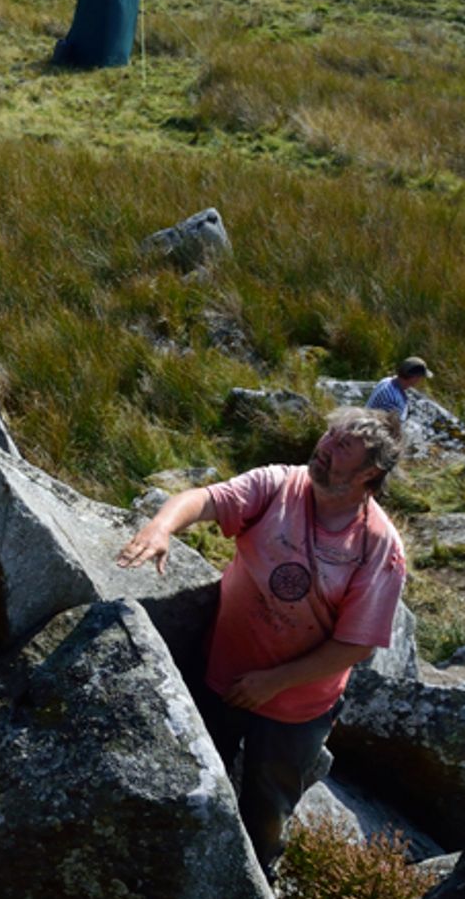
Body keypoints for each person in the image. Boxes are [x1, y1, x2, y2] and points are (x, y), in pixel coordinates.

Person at [116, 406, 407, 872]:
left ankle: (256, 881)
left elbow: (356, 645)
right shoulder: (279, 485)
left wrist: (274, 682)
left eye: (342, 447)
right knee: (190, 781)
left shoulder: (379, 548)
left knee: (267, 813)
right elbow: (205, 499)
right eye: (328, 436)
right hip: (222, 674)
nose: (324, 448)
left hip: (297, 707)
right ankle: (172, 871)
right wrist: (162, 526)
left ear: (369, 473)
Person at [365, 356, 432, 420]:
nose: (420, 380)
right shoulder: (392, 398)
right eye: (420, 377)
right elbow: (387, 425)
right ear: (414, 378)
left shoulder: (386, 380)